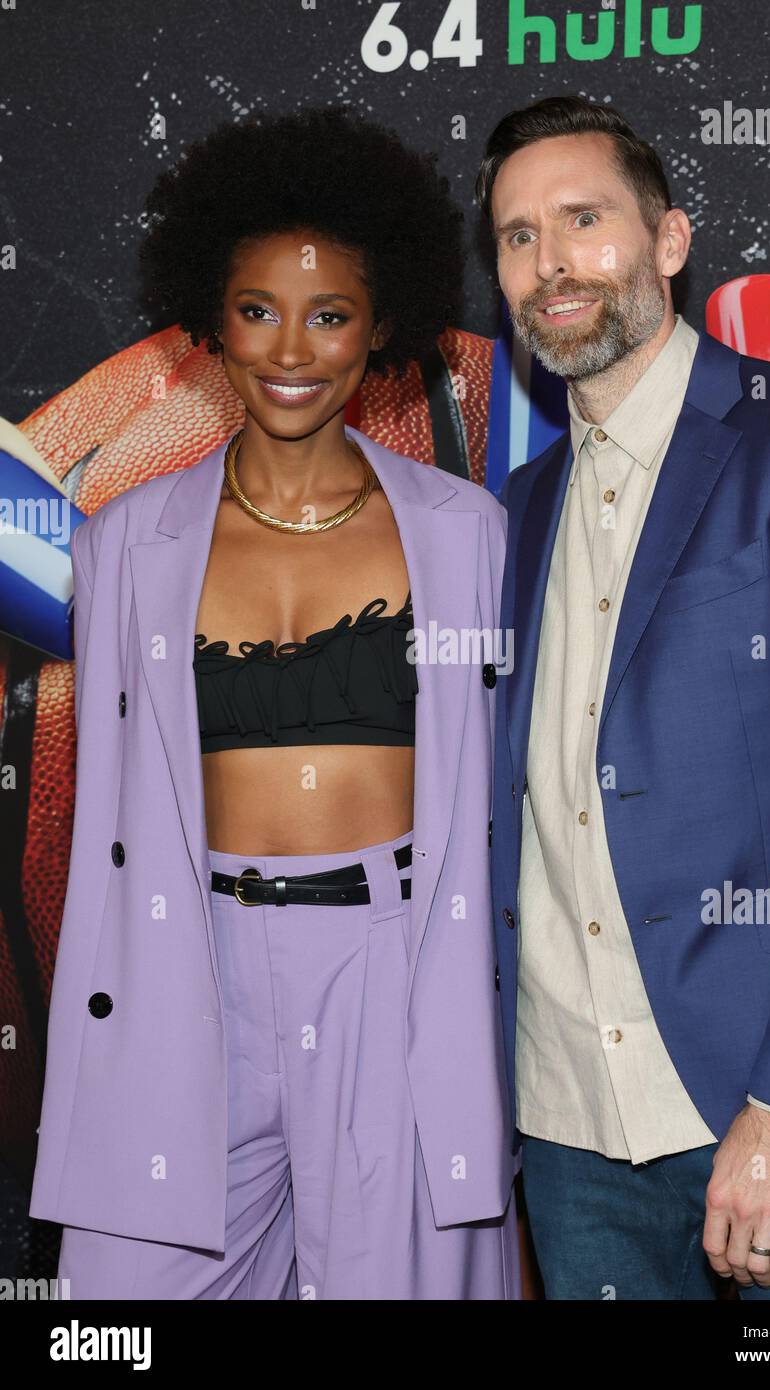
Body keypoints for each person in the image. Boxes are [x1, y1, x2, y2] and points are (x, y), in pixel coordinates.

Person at [29, 106, 519, 1300]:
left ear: (380, 324)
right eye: (258, 310)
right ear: (211, 319)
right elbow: (109, 807)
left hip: (397, 966)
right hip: (181, 964)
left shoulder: (466, 536)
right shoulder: (127, 543)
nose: (291, 348)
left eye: (330, 313)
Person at [480, 95, 770, 1299]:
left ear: (669, 240)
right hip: (569, 1137)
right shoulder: (513, 515)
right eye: (517, 236)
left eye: (582, 219)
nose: (550, 264)